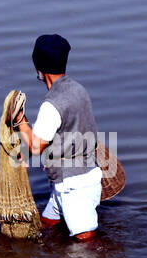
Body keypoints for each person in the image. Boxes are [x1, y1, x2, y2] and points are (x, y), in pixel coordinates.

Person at [11, 34, 102, 241]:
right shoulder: (79, 90)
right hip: (86, 174)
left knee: (86, 243)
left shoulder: (51, 105)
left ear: (38, 67)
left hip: (73, 185)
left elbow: (35, 148)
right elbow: (69, 131)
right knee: (47, 225)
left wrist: (20, 120)